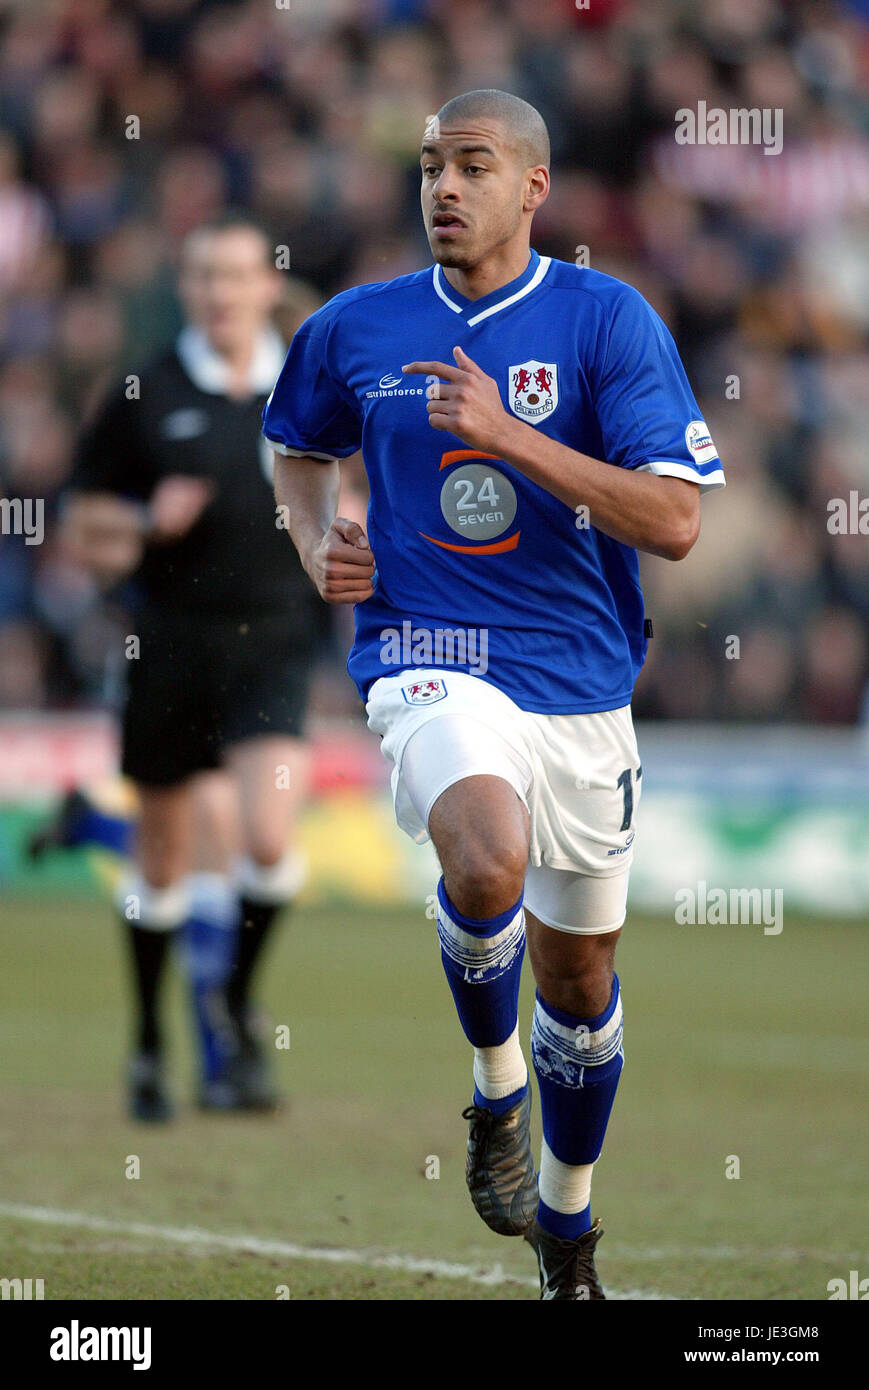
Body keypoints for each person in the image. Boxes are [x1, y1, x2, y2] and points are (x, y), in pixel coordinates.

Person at [263, 90, 724, 1300]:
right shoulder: (358, 327)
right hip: (427, 653)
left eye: (470, 165)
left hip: (578, 686)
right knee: (482, 860)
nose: (441, 189)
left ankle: (566, 1233)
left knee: (580, 986)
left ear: (532, 187)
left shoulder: (604, 321)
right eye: (426, 167)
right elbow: (296, 446)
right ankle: (491, 1084)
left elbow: (673, 519)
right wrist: (315, 541)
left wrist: (512, 439)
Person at [64, 213, 324, 1119]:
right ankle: (147, 1043)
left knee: (265, 837)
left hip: (276, 640)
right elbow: (83, 534)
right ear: (187, 287)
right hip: (169, 644)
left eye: (235, 275)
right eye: (203, 276)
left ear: (264, 284)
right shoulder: (144, 389)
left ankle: (240, 1005)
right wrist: (142, 524)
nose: (219, 292)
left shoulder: (307, 380)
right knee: (165, 859)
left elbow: (353, 484)